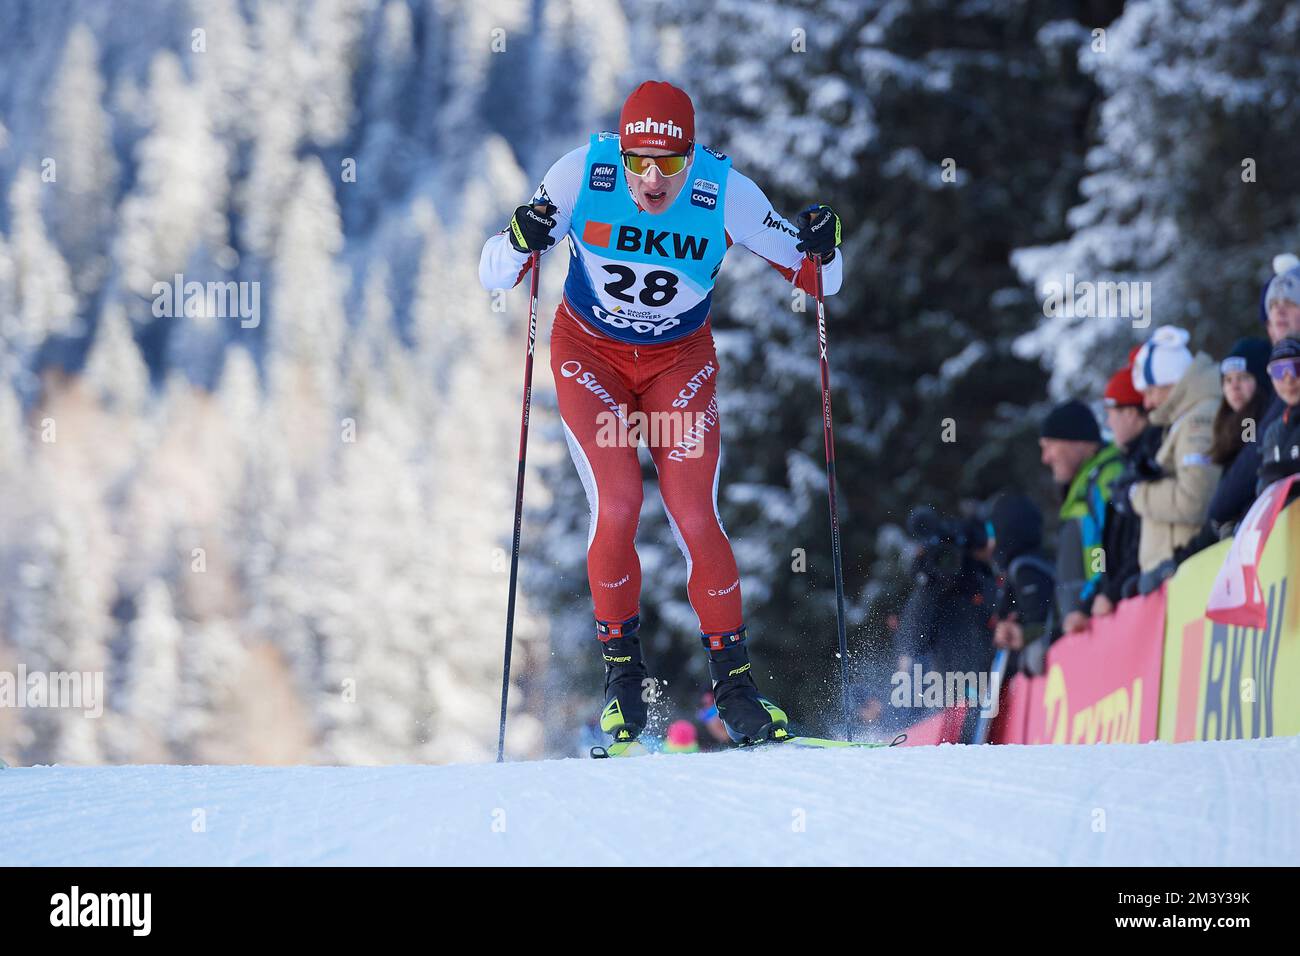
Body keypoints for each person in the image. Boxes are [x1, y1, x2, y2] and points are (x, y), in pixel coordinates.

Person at [479, 81, 847, 750]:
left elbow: (822, 281)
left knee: (696, 516)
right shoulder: (579, 173)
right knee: (617, 504)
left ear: (691, 155)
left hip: (677, 365)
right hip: (592, 358)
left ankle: (735, 691)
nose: (652, 179)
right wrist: (517, 238)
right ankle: (623, 685)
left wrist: (825, 247)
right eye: (638, 162)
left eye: (670, 164)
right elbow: (493, 272)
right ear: (619, 154)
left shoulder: (724, 192)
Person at [1128, 326, 1221, 592]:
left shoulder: (1198, 421)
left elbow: (1193, 501)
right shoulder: (1185, 419)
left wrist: (1138, 493)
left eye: (1150, 392)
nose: (1146, 404)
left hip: (1194, 577)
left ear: (1172, 384)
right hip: (1178, 579)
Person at [1175, 338, 1274, 559]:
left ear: (1262, 381)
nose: (1234, 386)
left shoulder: (1260, 425)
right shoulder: (1225, 427)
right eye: (1227, 380)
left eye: (1243, 377)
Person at [1038, 400, 1124, 633]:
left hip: (1110, 616)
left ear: (1077, 442)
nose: (1045, 458)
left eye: (1049, 446)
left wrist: (1095, 598)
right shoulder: (1083, 489)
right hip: (1091, 622)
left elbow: (1107, 550)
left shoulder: (1107, 480)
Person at [1090, 356, 1159, 614]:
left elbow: (1143, 538)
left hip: (1144, 597)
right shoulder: (1129, 465)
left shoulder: (1148, 460)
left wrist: (1112, 592)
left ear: (1131, 413)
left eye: (1112, 414)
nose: (1109, 424)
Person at [987, 493, 1056, 676]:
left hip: (1044, 671)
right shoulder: (1023, 567)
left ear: (1006, 531)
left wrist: (1020, 635)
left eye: (991, 531)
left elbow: (1040, 623)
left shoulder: (1025, 570)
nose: (989, 541)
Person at [1257, 338, 1300, 492]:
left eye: (1296, 367)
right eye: (1279, 371)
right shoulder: (1272, 431)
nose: (1289, 379)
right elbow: (1262, 492)